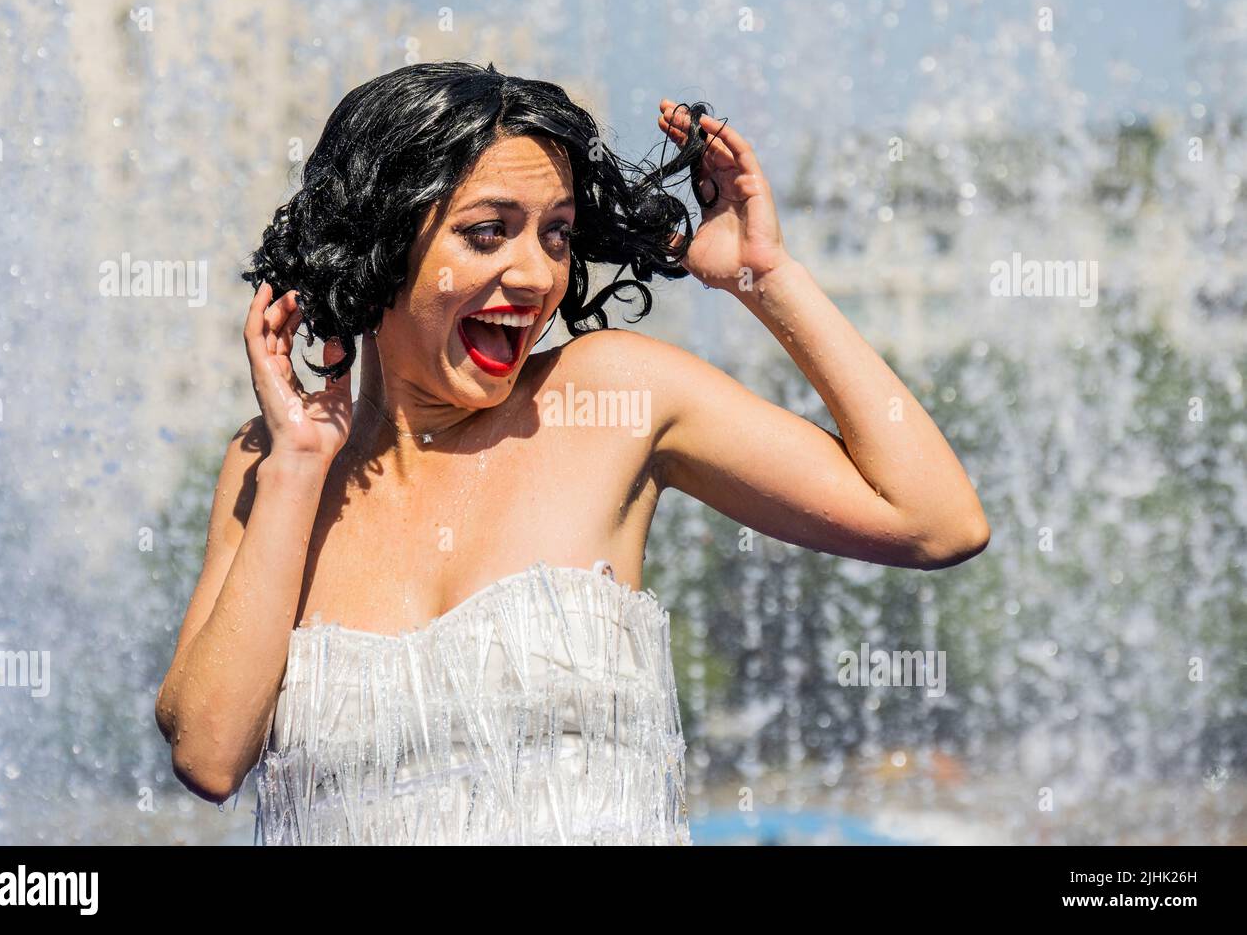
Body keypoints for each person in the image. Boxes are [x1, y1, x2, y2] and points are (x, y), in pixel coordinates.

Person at [154, 61, 989, 845]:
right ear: (381, 246)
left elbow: (933, 522)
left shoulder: (614, 398)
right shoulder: (272, 464)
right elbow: (211, 755)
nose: (535, 276)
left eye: (555, 237)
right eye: (488, 234)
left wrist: (763, 277)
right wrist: (300, 466)